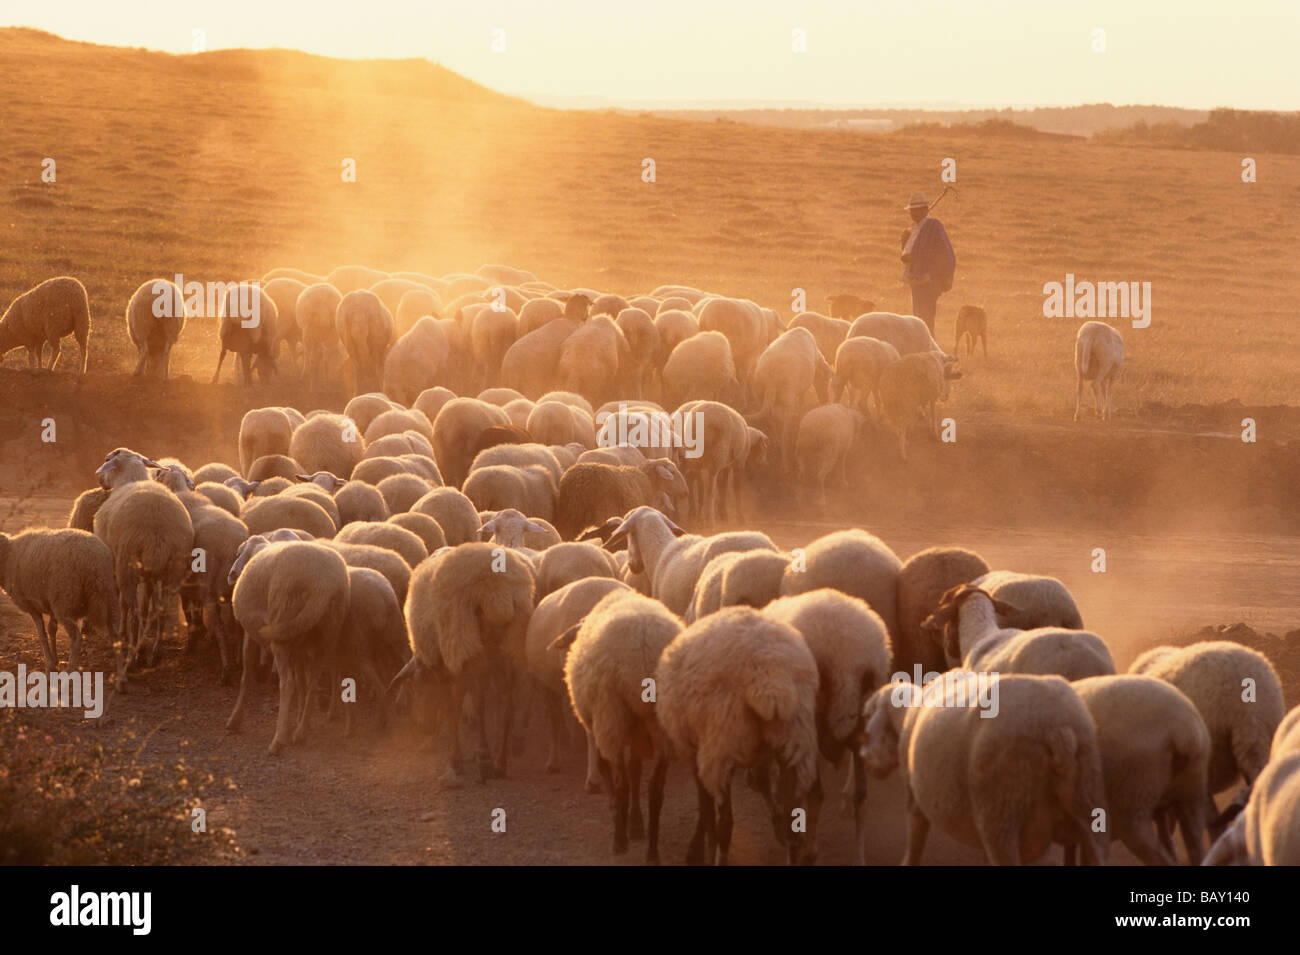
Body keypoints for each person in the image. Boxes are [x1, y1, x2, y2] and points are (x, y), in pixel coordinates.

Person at [900, 192, 956, 336]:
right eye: (912, 210)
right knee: (918, 317)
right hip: (915, 279)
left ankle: (928, 346)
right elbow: (907, 254)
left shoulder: (933, 226)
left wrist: (940, 276)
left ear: (925, 210)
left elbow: (943, 253)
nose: (913, 213)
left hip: (928, 279)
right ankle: (921, 345)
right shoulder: (914, 229)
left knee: (925, 318)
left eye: (917, 209)